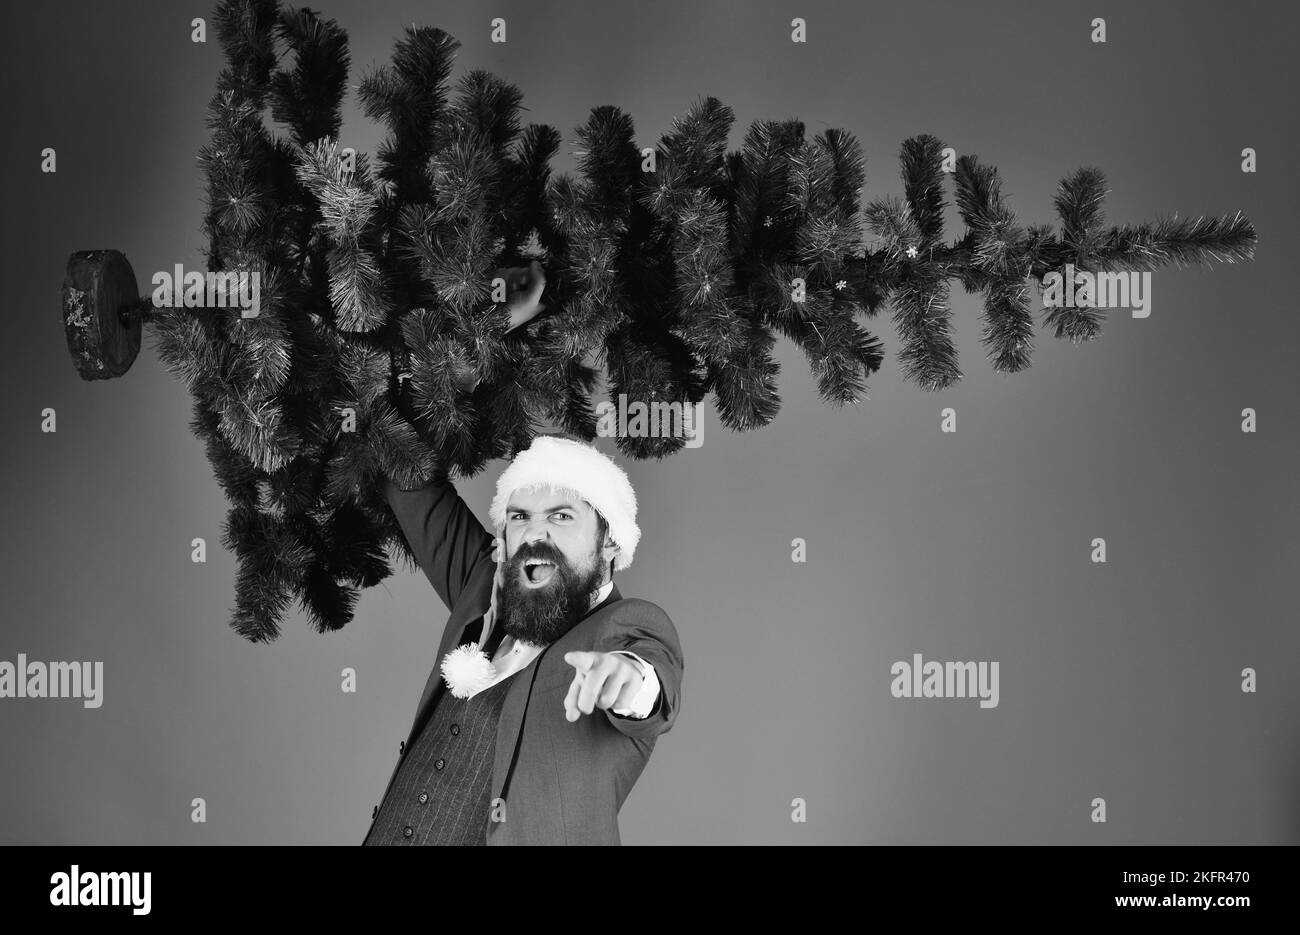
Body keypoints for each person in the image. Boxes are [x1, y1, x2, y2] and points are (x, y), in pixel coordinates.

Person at [362, 264, 684, 845]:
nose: (535, 535)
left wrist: (624, 680)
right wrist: (491, 326)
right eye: (519, 516)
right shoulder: (483, 582)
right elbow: (402, 466)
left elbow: (652, 683)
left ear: (609, 544)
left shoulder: (625, 629)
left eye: (562, 517)